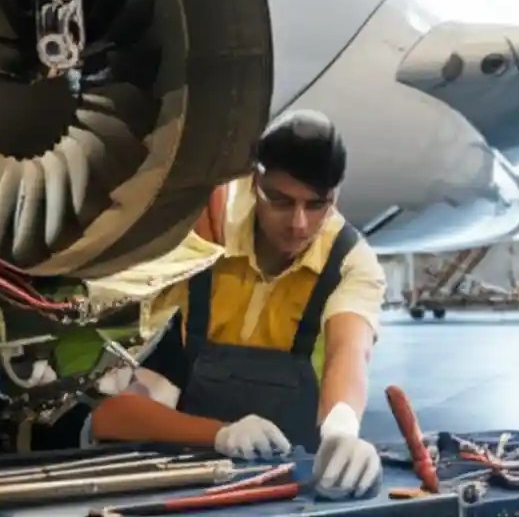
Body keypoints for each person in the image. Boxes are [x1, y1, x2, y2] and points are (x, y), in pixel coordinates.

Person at [88, 109, 388, 500]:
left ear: (336, 196)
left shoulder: (349, 260)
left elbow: (349, 350)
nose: (298, 223)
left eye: (317, 205)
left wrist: (343, 429)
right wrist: (221, 435)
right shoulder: (201, 241)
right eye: (280, 201)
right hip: (191, 485)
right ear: (254, 183)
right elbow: (111, 416)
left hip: (292, 493)